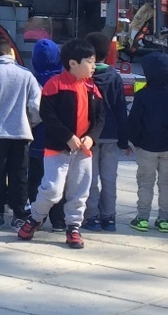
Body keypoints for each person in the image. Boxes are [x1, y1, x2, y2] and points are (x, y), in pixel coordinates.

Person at [17, 37, 103, 249]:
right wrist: (67, 136)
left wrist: (91, 137)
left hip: (84, 151)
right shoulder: (54, 85)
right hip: (57, 148)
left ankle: (73, 227)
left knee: (79, 191)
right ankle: (35, 218)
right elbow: (48, 115)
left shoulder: (93, 88)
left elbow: (101, 118)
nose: (94, 66)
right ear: (73, 63)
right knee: (53, 189)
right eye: (90, 61)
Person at [0, 34, 39, 231]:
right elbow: (36, 107)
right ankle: (20, 214)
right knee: (20, 174)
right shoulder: (26, 75)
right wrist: (28, 123)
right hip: (21, 133)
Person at [126, 52, 168, 233]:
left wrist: (133, 142)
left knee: (145, 182)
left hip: (147, 147)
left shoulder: (142, 96)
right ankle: (164, 219)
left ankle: (142, 217)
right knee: (166, 183)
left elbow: (134, 122)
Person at [83, 31, 129, 231]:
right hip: (111, 135)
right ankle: (109, 217)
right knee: (109, 177)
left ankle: (91, 216)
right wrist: (124, 140)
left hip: (89, 136)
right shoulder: (115, 78)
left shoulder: (86, 79)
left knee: (90, 177)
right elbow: (121, 109)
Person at [27, 39, 66, 231]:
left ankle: (37, 219)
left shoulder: (32, 80)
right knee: (58, 181)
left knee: (36, 180)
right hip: (59, 142)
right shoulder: (63, 81)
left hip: (37, 141)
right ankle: (58, 220)